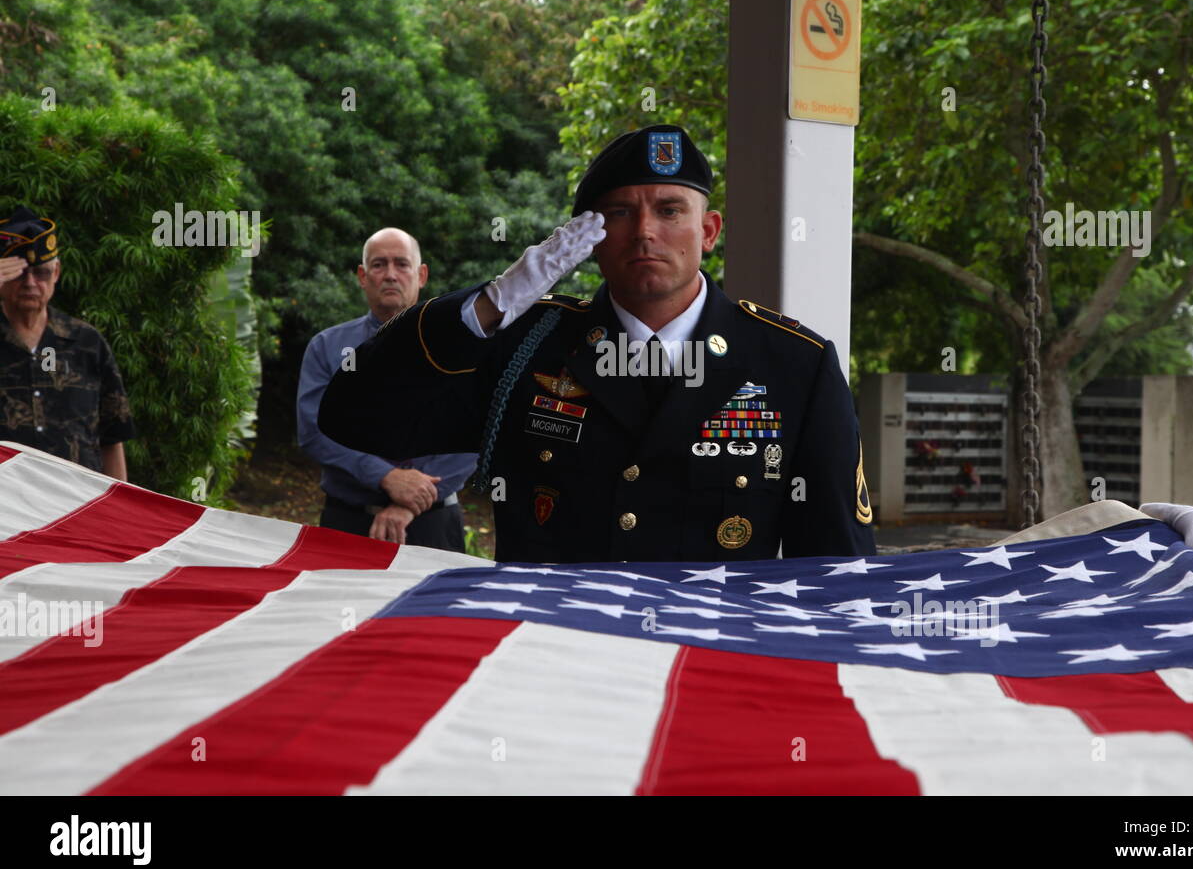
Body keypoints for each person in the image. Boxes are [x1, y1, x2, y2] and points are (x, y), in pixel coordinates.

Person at [320, 125, 876, 563]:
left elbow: (834, 563)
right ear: (590, 238)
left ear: (708, 231)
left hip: (708, 668)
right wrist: (487, 308)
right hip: (551, 657)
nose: (644, 232)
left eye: (669, 210)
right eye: (619, 213)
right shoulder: (524, 347)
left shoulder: (794, 365)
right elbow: (355, 417)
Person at [297, 227, 476, 549]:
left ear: (421, 275)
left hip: (434, 528)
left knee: (433, 603)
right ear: (362, 276)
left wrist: (409, 503)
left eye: (401, 264)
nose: (390, 275)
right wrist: (386, 476)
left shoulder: (463, 347)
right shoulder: (327, 347)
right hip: (346, 525)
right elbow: (313, 431)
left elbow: (474, 436)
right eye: (379, 265)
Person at [0, 207, 133, 479]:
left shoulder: (86, 342)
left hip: (74, 508)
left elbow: (112, 436)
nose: (30, 283)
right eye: (18, 273)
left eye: (41, 273)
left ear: (57, 273)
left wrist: (114, 509)